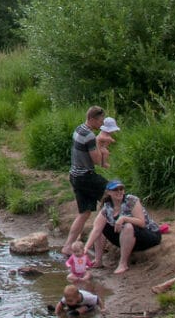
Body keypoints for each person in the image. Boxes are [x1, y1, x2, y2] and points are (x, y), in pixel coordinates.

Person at [83, 179, 161, 274]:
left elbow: (142, 223)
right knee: (102, 226)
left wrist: (124, 218)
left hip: (148, 235)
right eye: (115, 189)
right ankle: (98, 260)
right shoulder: (107, 206)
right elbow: (96, 229)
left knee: (128, 226)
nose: (119, 192)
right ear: (108, 192)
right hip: (127, 238)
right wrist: (86, 247)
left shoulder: (131, 200)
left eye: (121, 189)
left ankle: (123, 263)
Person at [65, 106, 109, 250]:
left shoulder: (78, 129)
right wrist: (102, 147)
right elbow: (97, 161)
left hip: (74, 175)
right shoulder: (89, 136)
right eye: (100, 121)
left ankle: (67, 246)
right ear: (91, 119)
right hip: (86, 176)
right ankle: (104, 231)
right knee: (113, 193)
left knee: (84, 213)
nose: (101, 124)